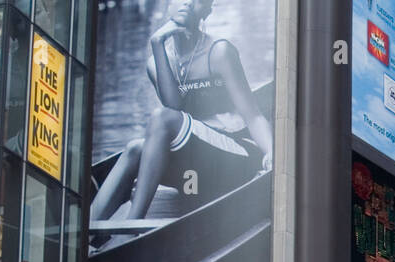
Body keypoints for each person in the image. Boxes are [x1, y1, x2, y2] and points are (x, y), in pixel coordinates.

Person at [90, 0, 275, 228]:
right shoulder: (156, 62)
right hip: (198, 168)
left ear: (206, 11)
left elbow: (253, 115)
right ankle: (86, 234)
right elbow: (174, 105)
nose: (187, 2)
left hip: (237, 157)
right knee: (135, 150)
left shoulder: (220, 52)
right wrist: (157, 43)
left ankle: (130, 226)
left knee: (161, 118)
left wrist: (272, 152)